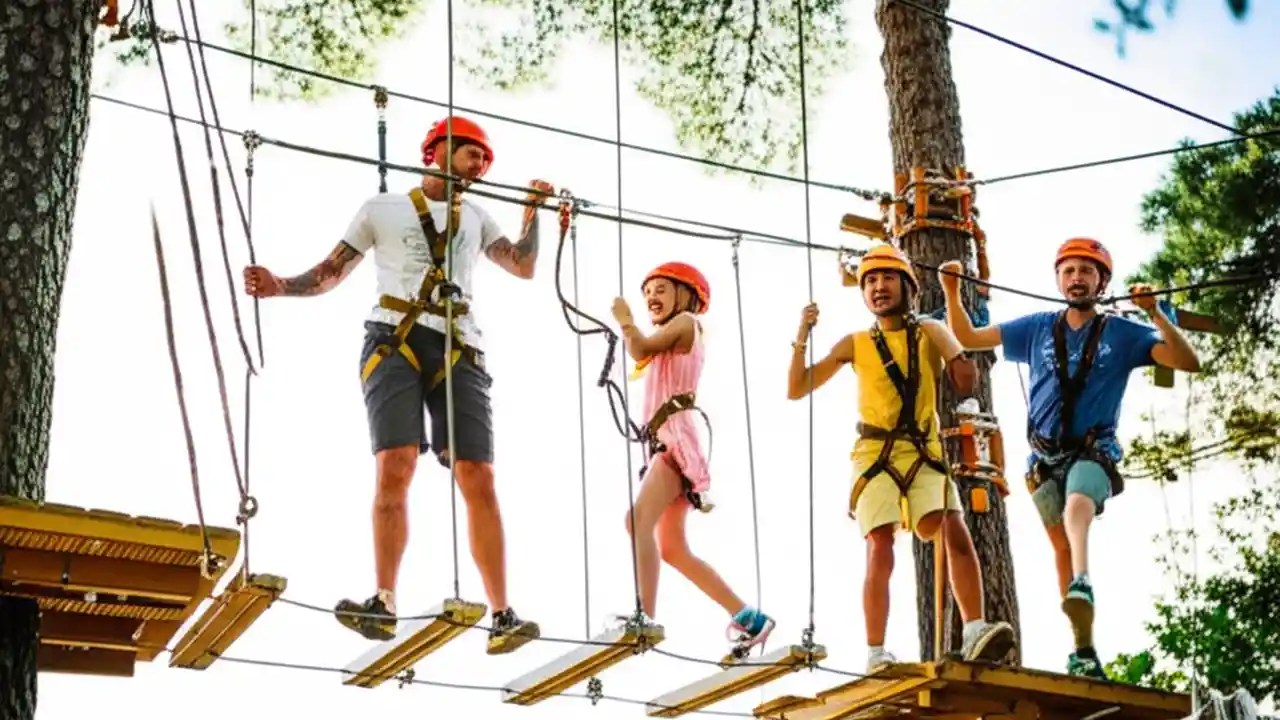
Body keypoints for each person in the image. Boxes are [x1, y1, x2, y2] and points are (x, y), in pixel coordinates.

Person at [242, 115, 551, 655]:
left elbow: (522, 266)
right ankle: (383, 601)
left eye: (484, 159)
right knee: (396, 464)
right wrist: (279, 287)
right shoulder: (381, 208)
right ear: (436, 150)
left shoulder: (477, 216)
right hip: (394, 338)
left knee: (478, 474)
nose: (479, 165)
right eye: (471, 153)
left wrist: (538, 215)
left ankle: (503, 613)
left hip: (459, 343)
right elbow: (332, 271)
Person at [939, 237, 1201, 678]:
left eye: (1086, 270)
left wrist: (1155, 314)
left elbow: (1185, 360)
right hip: (1043, 459)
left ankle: (1082, 581)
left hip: (1094, 452)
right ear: (1058, 279)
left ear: (1102, 282)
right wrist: (950, 291)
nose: (1076, 278)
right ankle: (1083, 648)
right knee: (1060, 547)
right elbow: (968, 336)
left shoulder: (1122, 332)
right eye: (1068, 271)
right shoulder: (1039, 326)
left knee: (1079, 503)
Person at [786, 243, 1017, 673]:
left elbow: (964, 380)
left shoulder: (928, 332)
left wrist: (951, 343)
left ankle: (974, 629)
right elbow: (798, 387)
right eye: (870, 281)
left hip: (922, 452)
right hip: (875, 454)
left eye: (887, 278)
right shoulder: (855, 344)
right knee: (881, 545)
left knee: (952, 527)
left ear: (908, 287)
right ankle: (876, 652)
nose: (878, 287)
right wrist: (802, 334)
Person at [610, 261, 775, 661]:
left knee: (637, 522)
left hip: (674, 443)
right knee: (673, 548)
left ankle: (644, 616)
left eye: (662, 289)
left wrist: (627, 321)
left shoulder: (686, 323)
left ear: (686, 296)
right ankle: (749, 617)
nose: (652, 297)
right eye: (649, 291)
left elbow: (641, 348)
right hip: (669, 442)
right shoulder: (676, 329)